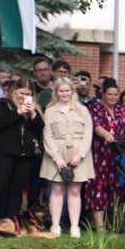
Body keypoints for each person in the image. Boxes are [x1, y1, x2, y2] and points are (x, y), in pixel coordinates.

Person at [0, 75, 44, 225]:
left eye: (28, 94)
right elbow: (1, 123)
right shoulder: (4, 104)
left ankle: (12, 221)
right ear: (14, 91)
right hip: (3, 152)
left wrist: (33, 114)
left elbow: (40, 127)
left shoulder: (33, 109)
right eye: (22, 93)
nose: (24, 97)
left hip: (25, 154)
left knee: (16, 189)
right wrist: (18, 112)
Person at [86, 77, 125, 231]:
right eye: (110, 94)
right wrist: (106, 135)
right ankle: (99, 226)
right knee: (98, 187)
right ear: (103, 94)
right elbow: (96, 125)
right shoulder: (95, 108)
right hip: (100, 153)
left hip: (117, 154)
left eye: (115, 94)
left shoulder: (120, 110)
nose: (113, 97)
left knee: (118, 188)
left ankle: (118, 223)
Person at [41, 77, 94, 237]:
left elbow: (88, 134)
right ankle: (55, 225)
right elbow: (47, 135)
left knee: (75, 191)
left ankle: (74, 226)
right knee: (56, 189)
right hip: (56, 154)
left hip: (78, 154)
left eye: (67, 90)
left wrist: (80, 155)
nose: (64, 93)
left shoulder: (82, 110)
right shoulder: (49, 111)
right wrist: (57, 158)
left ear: (72, 91)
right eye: (61, 90)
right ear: (56, 92)